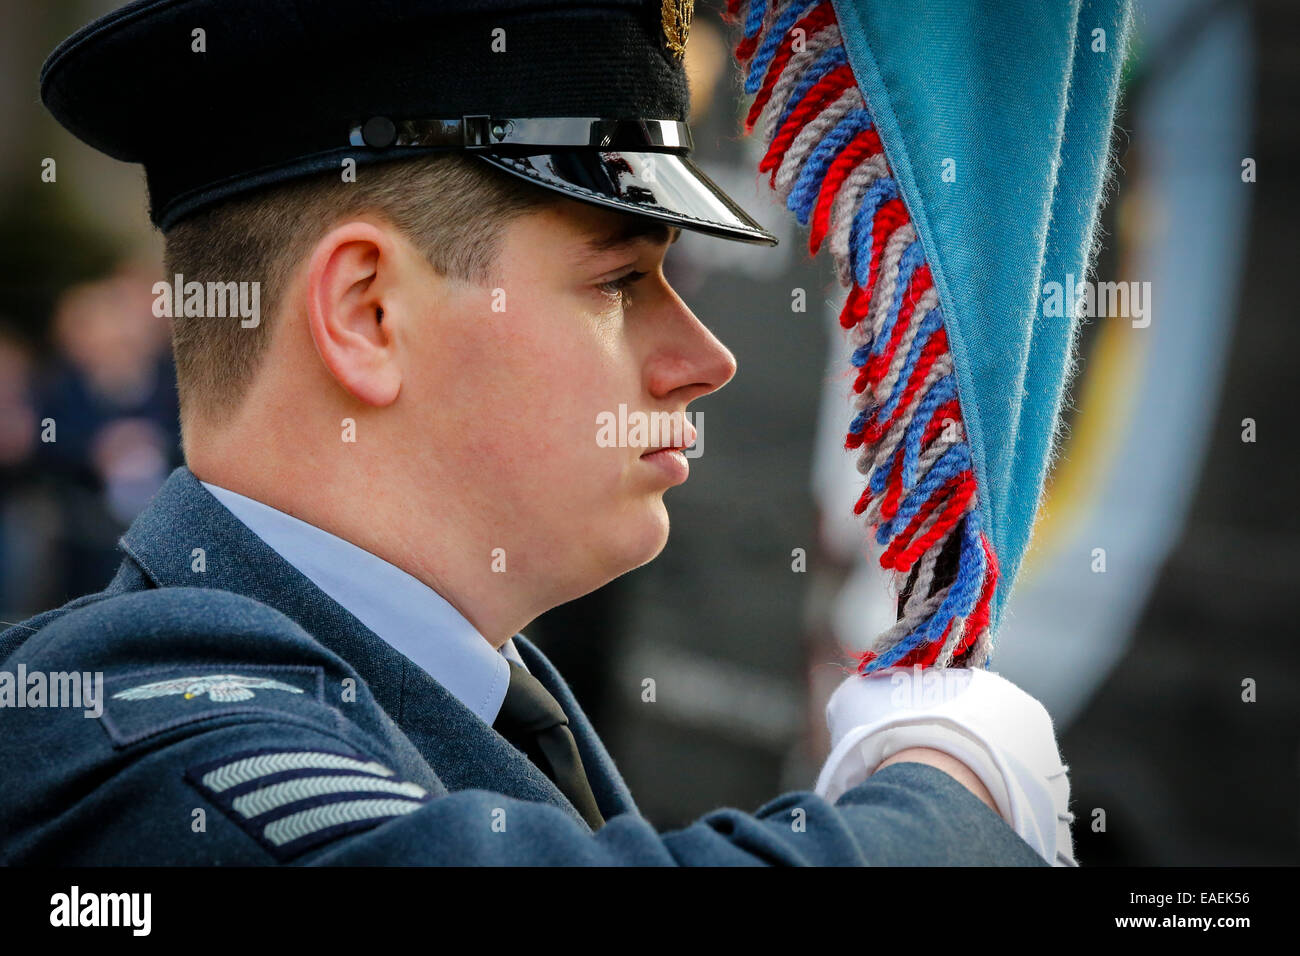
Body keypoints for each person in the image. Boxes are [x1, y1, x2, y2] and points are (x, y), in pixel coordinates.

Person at [0, 0, 1067, 865]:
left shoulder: (456, 690)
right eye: (618, 281)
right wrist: (951, 790)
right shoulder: (157, 743)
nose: (705, 357)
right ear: (369, 314)